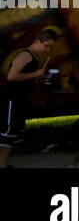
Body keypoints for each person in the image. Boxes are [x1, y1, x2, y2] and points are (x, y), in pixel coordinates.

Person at [1, 29, 59, 167]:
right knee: (7, 132)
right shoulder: (25, 55)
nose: (47, 49)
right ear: (37, 41)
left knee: (13, 132)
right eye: (46, 45)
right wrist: (34, 74)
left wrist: (37, 79)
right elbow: (11, 76)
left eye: (50, 47)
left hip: (20, 98)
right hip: (12, 98)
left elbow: (23, 77)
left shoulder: (33, 56)